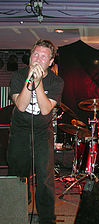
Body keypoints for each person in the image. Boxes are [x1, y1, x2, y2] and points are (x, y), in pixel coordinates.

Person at [7, 39, 64, 224]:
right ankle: (17, 213)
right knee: (17, 175)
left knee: (45, 177)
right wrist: (30, 79)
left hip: (42, 132)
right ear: (30, 56)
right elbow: (21, 106)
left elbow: (46, 109)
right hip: (19, 131)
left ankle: (47, 219)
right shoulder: (18, 75)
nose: (38, 59)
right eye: (35, 54)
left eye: (43, 56)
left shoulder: (56, 81)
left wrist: (38, 82)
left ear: (50, 62)